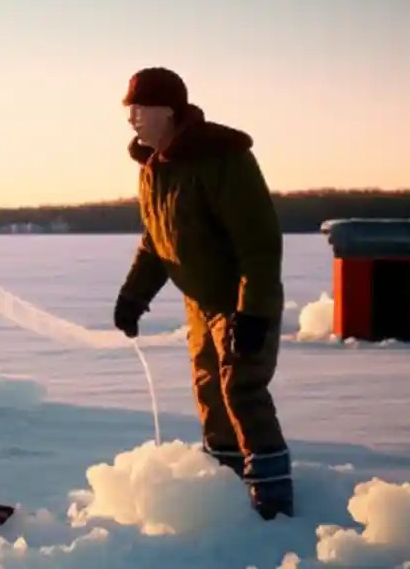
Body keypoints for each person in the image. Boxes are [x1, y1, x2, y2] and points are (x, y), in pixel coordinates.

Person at [112, 66, 293, 520]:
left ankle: (273, 505)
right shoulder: (153, 169)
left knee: (242, 392)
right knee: (211, 397)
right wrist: (134, 296)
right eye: (128, 109)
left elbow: (259, 241)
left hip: (238, 300)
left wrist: (253, 312)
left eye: (138, 108)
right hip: (199, 303)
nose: (130, 117)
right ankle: (228, 495)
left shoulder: (222, 158)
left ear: (167, 111)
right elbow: (157, 241)